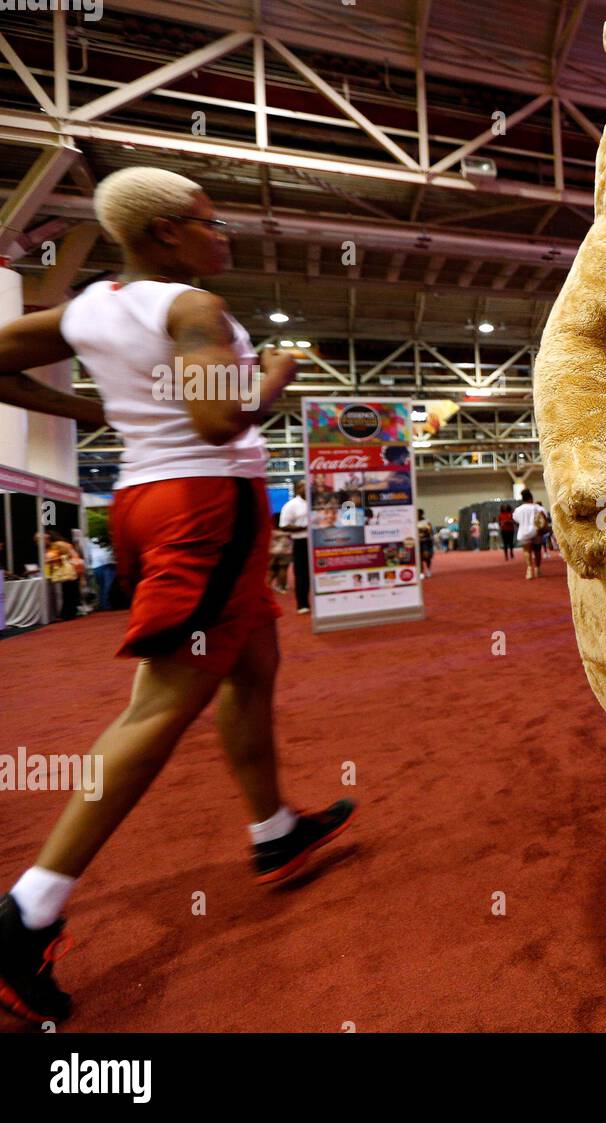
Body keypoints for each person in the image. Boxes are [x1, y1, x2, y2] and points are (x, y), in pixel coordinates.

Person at [0, 166, 354, 1024]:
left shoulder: (83, 310)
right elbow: (219, 422)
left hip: (144, 500)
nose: (221, 233)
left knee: (252, 665)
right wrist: (274, 374)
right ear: (164, 233)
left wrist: (91, 415)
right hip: (206, 504)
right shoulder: (190, 308)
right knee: (158, 707)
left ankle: (274, 831)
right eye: (208, 220)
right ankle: (26, 912)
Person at [278, 480, 310, 614]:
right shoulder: (291, 505)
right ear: (297, 489)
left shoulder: (317, 501)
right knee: (302, 574)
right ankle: (302, 603)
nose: (306, 488)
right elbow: (284, 525)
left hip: (318, 542)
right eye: (303, 486)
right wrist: (303, 527)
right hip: (301, 542)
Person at [512, 489, 546, 579]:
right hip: (536, 532)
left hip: (523, 533)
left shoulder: (518, 509)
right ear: (531, 498)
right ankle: (537, 570)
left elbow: (515, 521)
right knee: (537, 551)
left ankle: (529, 570)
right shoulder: (537, 507)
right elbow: (543, 518)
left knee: (527, 551)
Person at [267, 526, 292, 593]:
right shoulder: (288, 532)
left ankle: (266, 585)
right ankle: (281, 587)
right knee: (283, 569)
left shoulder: (271, 531)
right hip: (285, 552)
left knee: (273, 571)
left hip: (273, 552)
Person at [417, 508, 434, 576]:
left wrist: (425, 530)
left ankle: (428, 569)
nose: (417, 515)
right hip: (418, 542)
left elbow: (430, 530)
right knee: (419, 557)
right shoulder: (414, 521)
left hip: (426, 541)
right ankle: (421, 572)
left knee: (427, 556)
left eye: (418, 513)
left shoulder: (427, 521)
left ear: (421, 514)